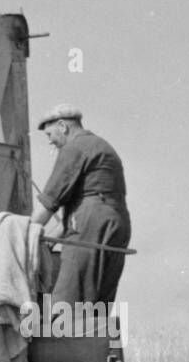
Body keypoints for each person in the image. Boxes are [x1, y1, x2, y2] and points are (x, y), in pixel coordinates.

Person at [30, 105, 132, 314]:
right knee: (97, 307)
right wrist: (48, 241)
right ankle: (98, 346)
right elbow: (81, 208)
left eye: (50, 134)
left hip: (90, 224)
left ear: (63, 126)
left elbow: (50, 202)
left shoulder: (74, 148)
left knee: (66, 304)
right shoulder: (102, 146)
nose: (50, 141)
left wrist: (23, 234)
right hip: (115, 224)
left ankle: (63, 345)